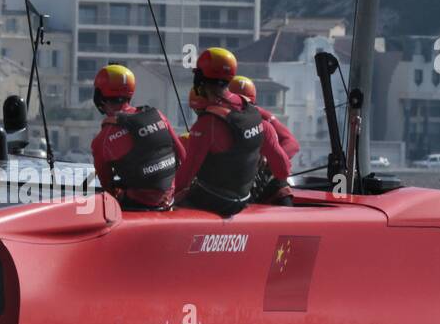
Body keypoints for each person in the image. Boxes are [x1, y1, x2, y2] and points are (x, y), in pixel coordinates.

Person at [175, 48, 291, 216]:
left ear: (199, 78)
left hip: (213, 202)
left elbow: (185, 177)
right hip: (244, 200)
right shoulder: (254, 113)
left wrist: (167, 199)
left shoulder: (207, 124)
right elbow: (283, 170)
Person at [90, 63, 186, 211]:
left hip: (138, 206)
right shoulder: (158, 115)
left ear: (99, 96)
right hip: (169, 202)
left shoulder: (102, 140)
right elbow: (183, 156)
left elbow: (108, 187)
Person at [229, 74, 300, 206]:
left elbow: (292, 144)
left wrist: (269, 160)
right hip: (234, 184)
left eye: (246, 104)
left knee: (281, 188)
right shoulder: (217, 120)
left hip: (260, 181)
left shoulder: (263, 117)